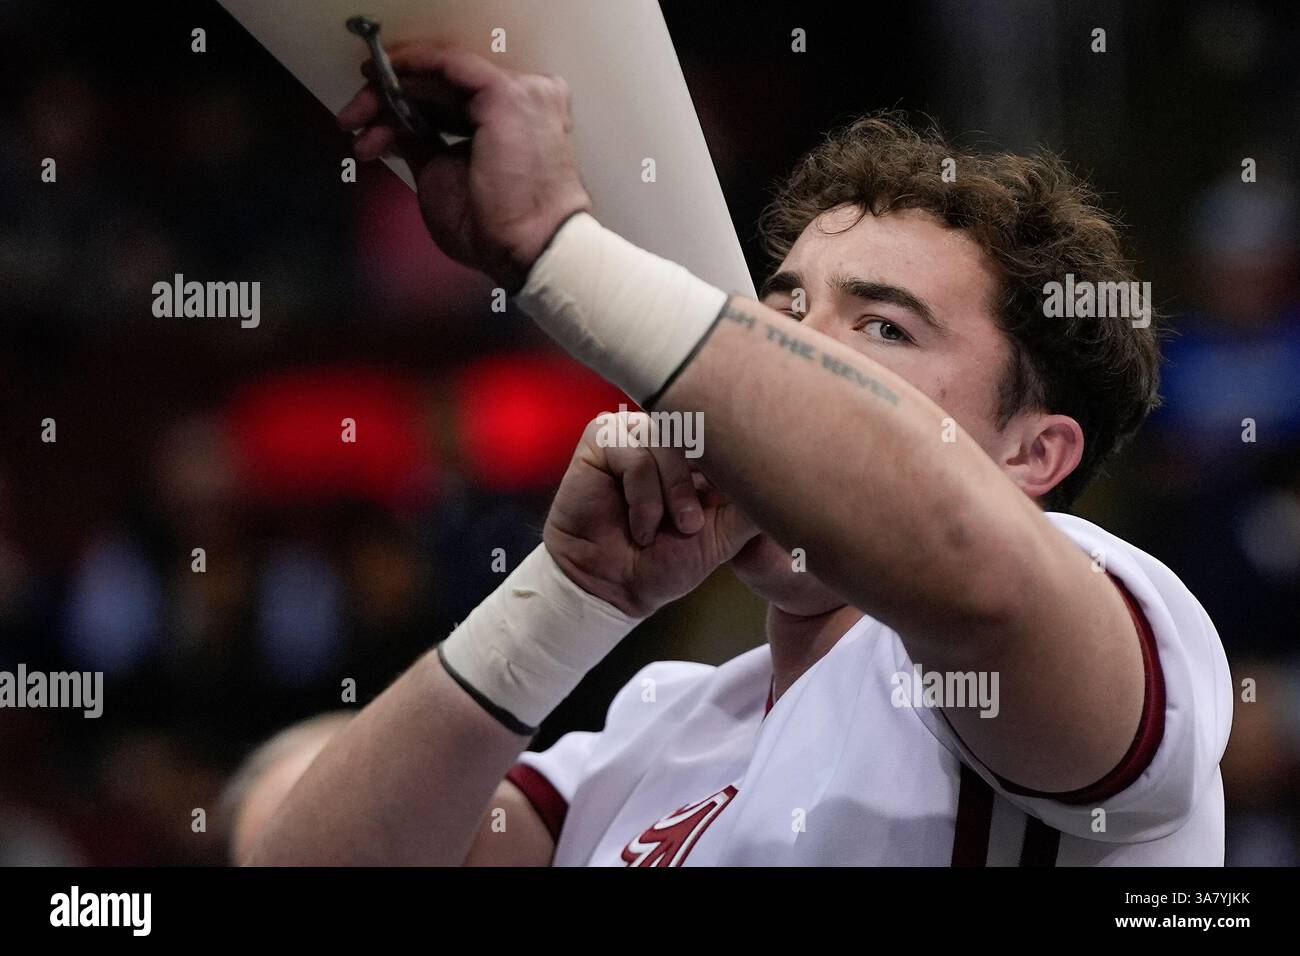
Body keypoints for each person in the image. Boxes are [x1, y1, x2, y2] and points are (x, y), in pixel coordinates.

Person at [248, 45, 1232, 866]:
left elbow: (981, 576)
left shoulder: (1117, 599)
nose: (796, 343)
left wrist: (567, 254)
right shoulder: (662, 719)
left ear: (1031, 452)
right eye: (787, 306)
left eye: (883, 326)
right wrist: (572, 592)